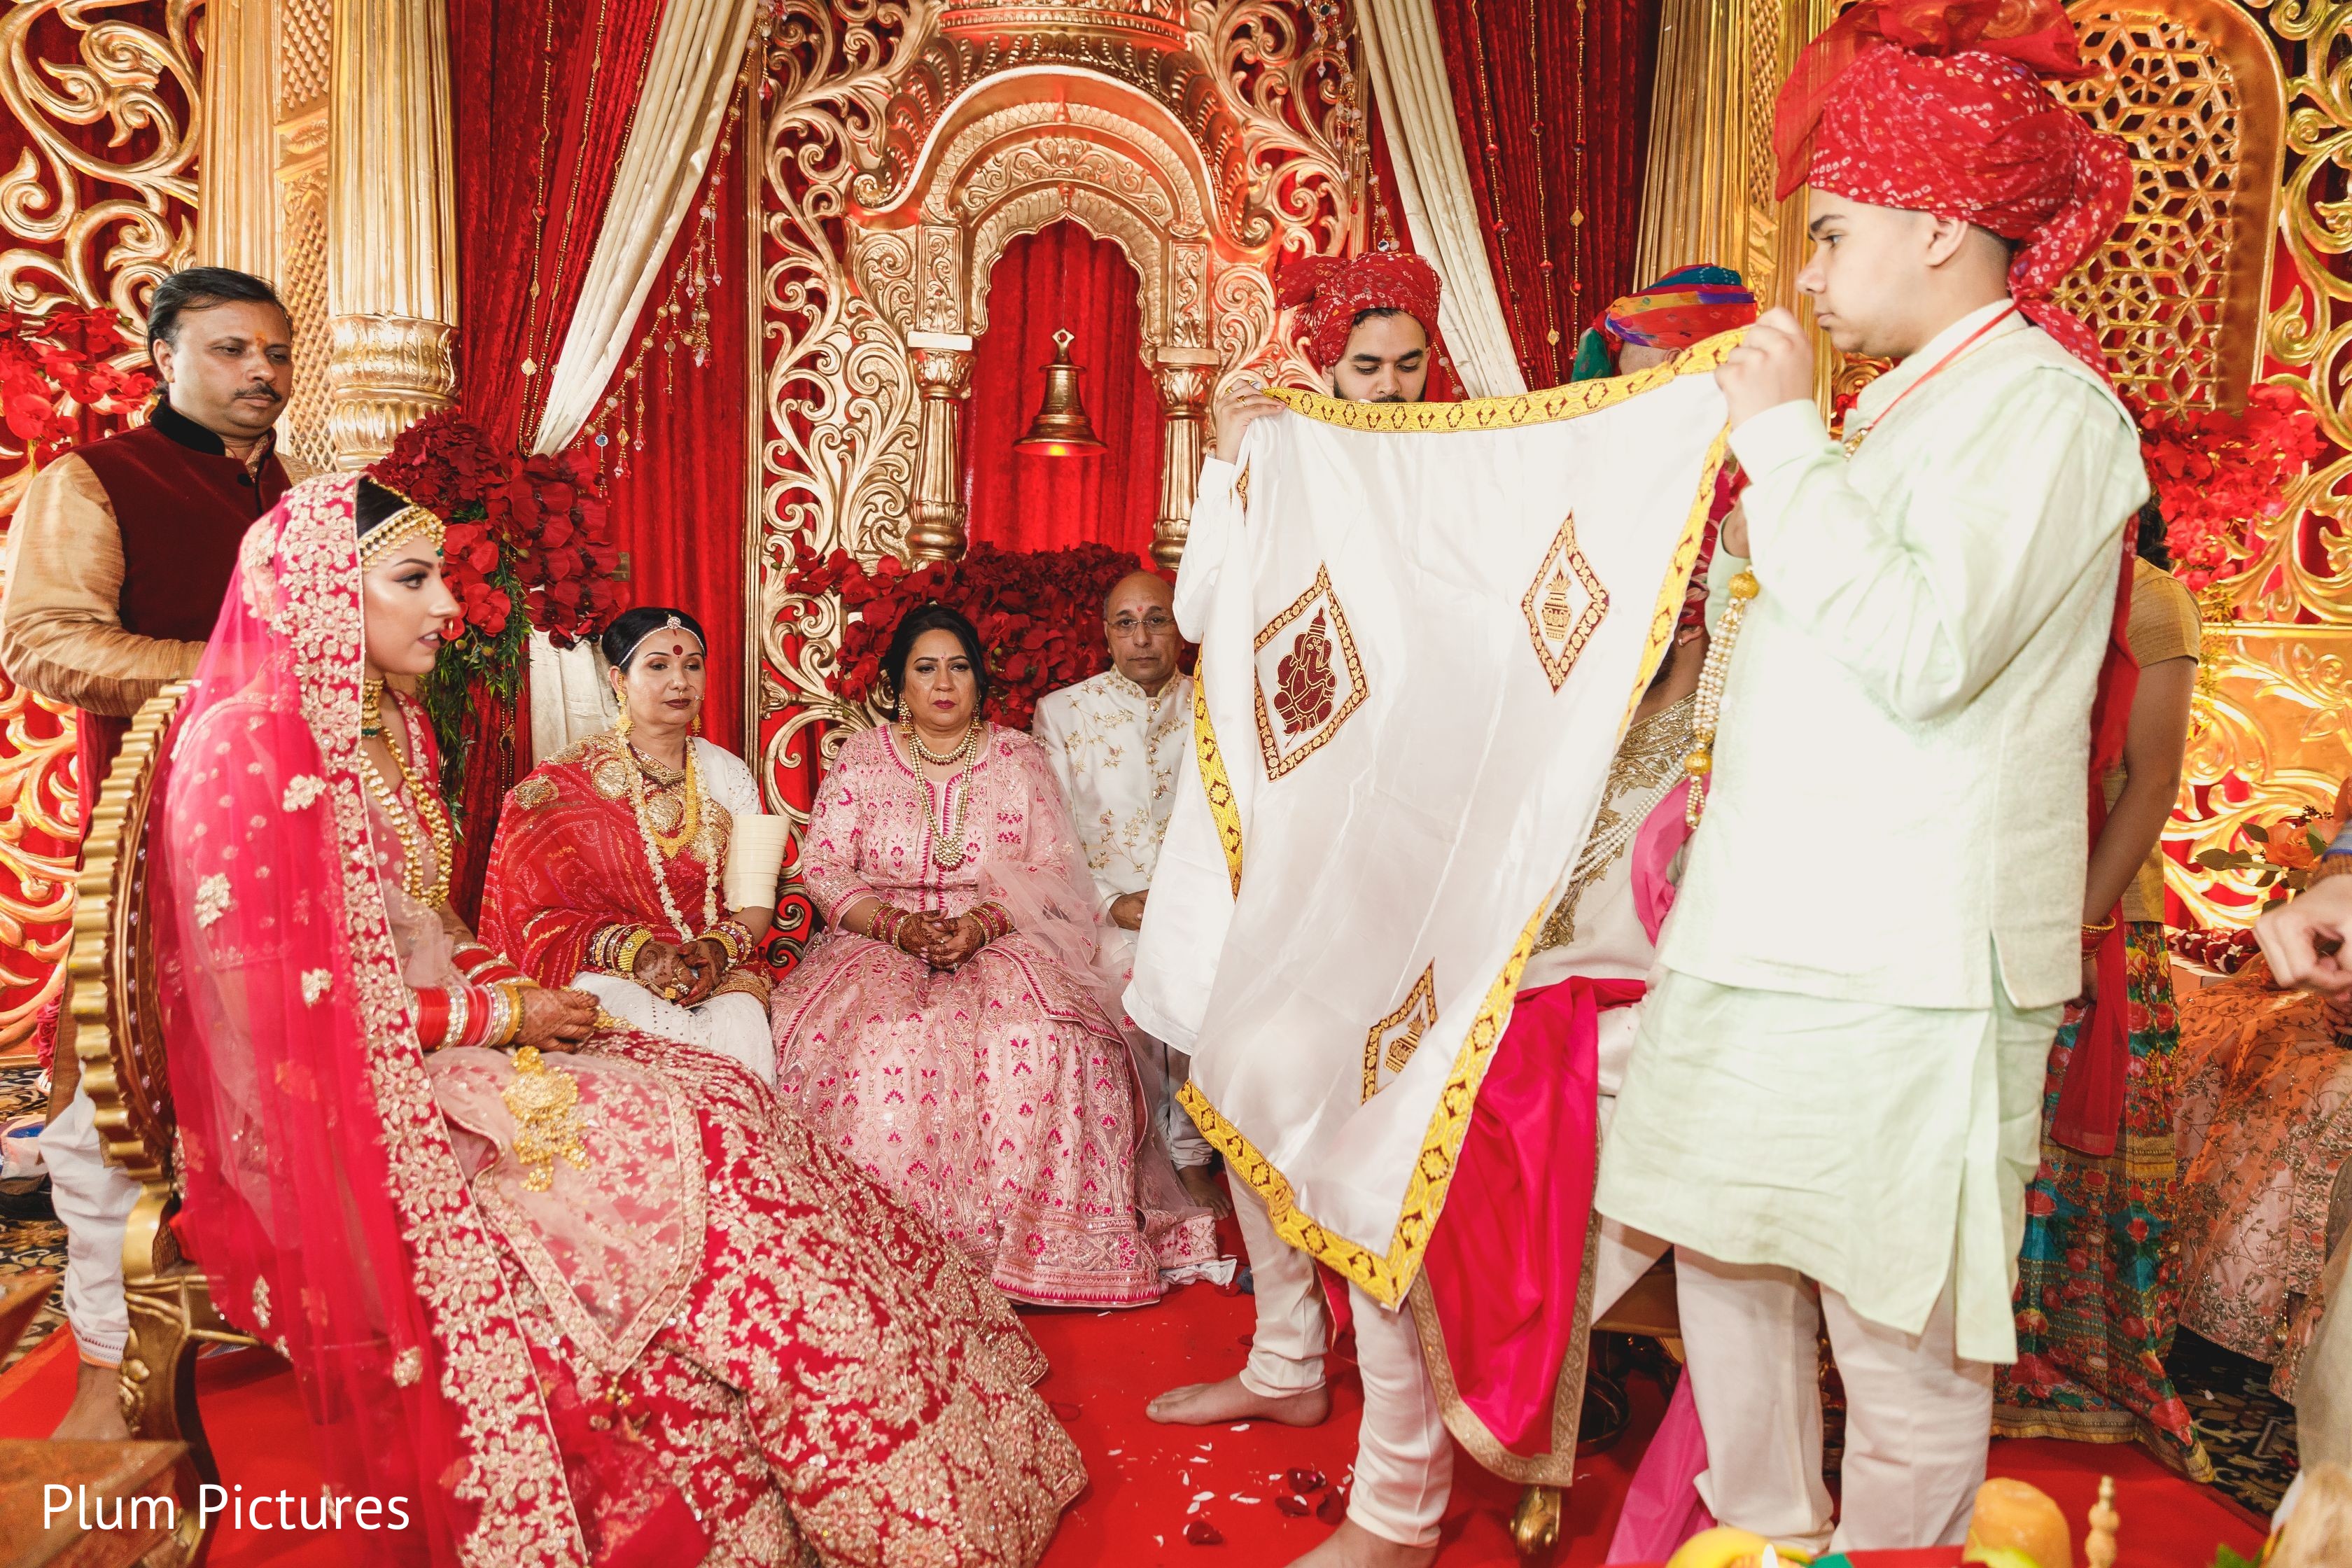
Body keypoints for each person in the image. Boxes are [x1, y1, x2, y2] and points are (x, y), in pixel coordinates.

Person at [155, 473, 1084, 1565]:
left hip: (456, 1039)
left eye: (443, 579)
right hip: (354, 1097)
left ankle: (899, 1435)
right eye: (413, 581)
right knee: (697, 1146)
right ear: (318, 593)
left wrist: (528, 1003)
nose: (449, 608)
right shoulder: (250, 749)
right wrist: (511, 1009)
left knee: (731, 1096)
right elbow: (284, 1008)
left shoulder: (387, 724)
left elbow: (443, 920)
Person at [1593, 0, 2146, 1550]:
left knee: (1898, 1330)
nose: (1813, 278)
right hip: (1774, 933)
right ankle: (1756, 1541)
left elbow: (1926, 646)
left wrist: (1780, 451)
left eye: (1833, 238)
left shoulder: (2050, 413)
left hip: (1913, 965)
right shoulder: (1894, 412)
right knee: (1725, 1254)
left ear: (1944, 225)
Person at [0, 265, 295, 1440]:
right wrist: (232, 678)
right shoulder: (94, 480)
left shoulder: (295, 499)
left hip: (284, 844)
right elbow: (45, 643)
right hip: (156, 842)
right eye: (230, 350)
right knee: (117, 1105)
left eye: (274, 353)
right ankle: (108, 1372)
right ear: (162, 354)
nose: (260, 373)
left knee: (279, 1084)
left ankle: (261, 1315)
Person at [768, 601, 1216, 1306]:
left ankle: (1043, 1250)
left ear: (979, 680)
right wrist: (893, 923)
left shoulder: (1017, 757)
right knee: (884, 1036)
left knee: (1047, 1034)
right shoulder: (863, 757)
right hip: (877, 936)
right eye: (925, 668)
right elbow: (825, 867)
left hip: (1004, 934)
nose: (943, 683)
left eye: (959, 667)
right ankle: (885, 1248)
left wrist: (981, 923)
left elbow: (1055, 864)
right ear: (896, 685)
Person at [1994, 500, 2209, 1476]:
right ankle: (1972, 1361)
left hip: (2105, 910)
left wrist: (2081, 923)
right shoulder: (2017, 593)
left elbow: (2152, 781)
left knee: (2086, 1156)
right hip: (1994, 899)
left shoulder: (2157, 603)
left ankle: (2070, 1366)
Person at [482, 606, 786, 1086]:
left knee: (742, 1033)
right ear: (619, 680)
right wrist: (637, 953)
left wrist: (717, 947)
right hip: (607, 967)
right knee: (645, 1029)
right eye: (658, 665)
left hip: (715, 963)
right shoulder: (563, 782)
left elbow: (754, 901)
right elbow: (527, 912)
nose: (680, 682)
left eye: (692, 664)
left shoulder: (729, 773)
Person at [1032, 568, 1227, 1214]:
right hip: (1102, 911)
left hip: (1206, 906)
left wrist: (1193, 900)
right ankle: (1131, 1155)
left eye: (1158, 619)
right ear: (1107, 636)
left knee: (1208, 970)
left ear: (1182, 628)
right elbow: (1051, 829)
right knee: (1127, 972)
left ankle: (1194, 1153)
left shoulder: (1218, 707)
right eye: (1126, 623)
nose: (1142, 637)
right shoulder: (1063, 713)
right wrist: (1110, 901)